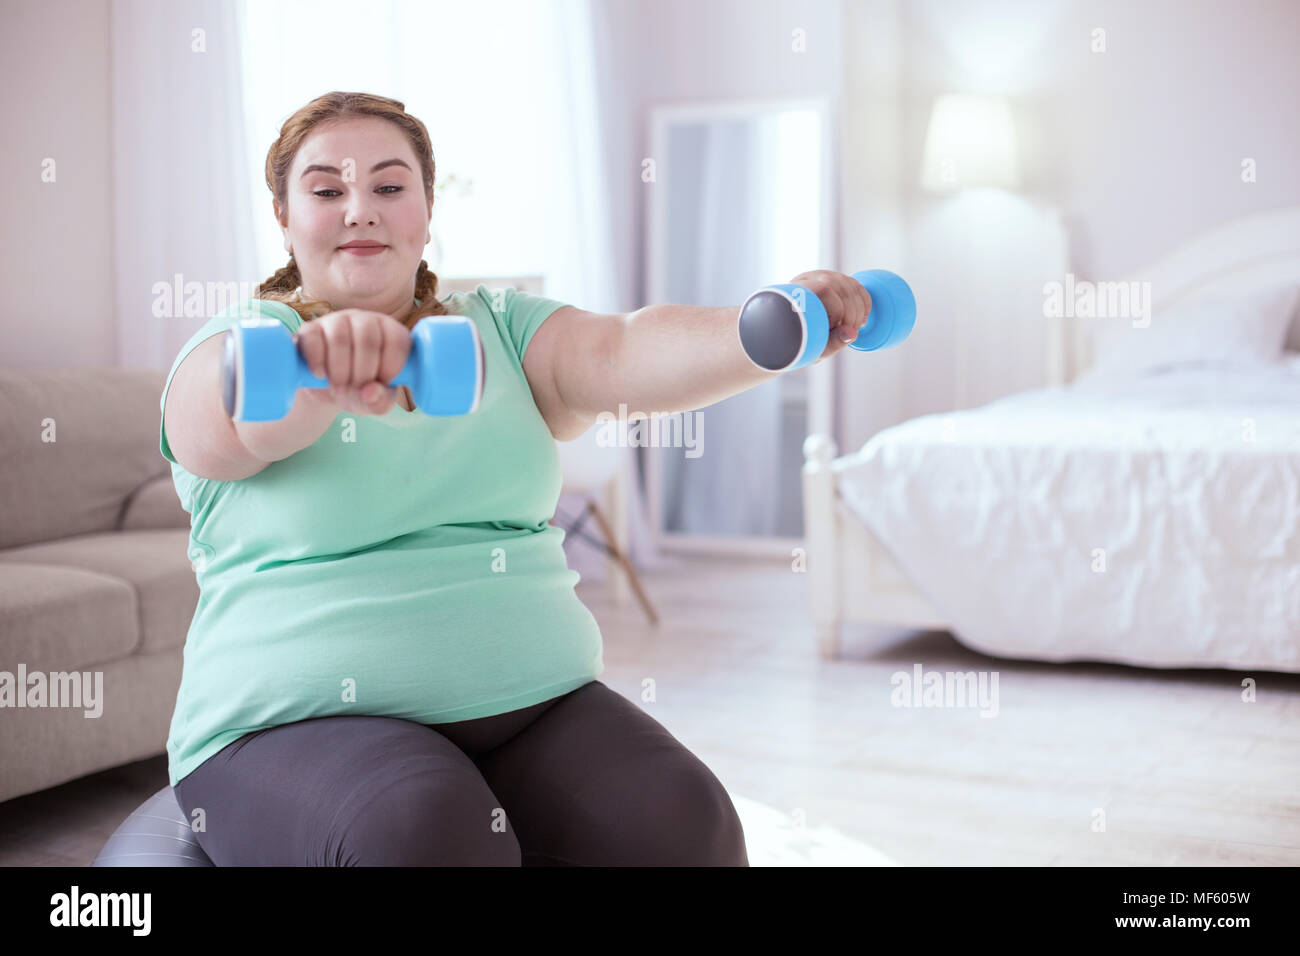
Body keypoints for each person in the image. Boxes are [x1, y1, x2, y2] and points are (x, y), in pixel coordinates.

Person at [159, 91, 870, 866]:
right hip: (293, 727)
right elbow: (226, 430)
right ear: (284, 216)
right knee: (427, 829)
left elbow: (619, 350)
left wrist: (768, 330)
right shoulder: (244, 344)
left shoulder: (496, 327)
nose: (360, 209)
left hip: (532, 708)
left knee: (684, 818)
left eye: (390, 187)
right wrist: (319, 377)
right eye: (327, 190)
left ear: (426, 211)